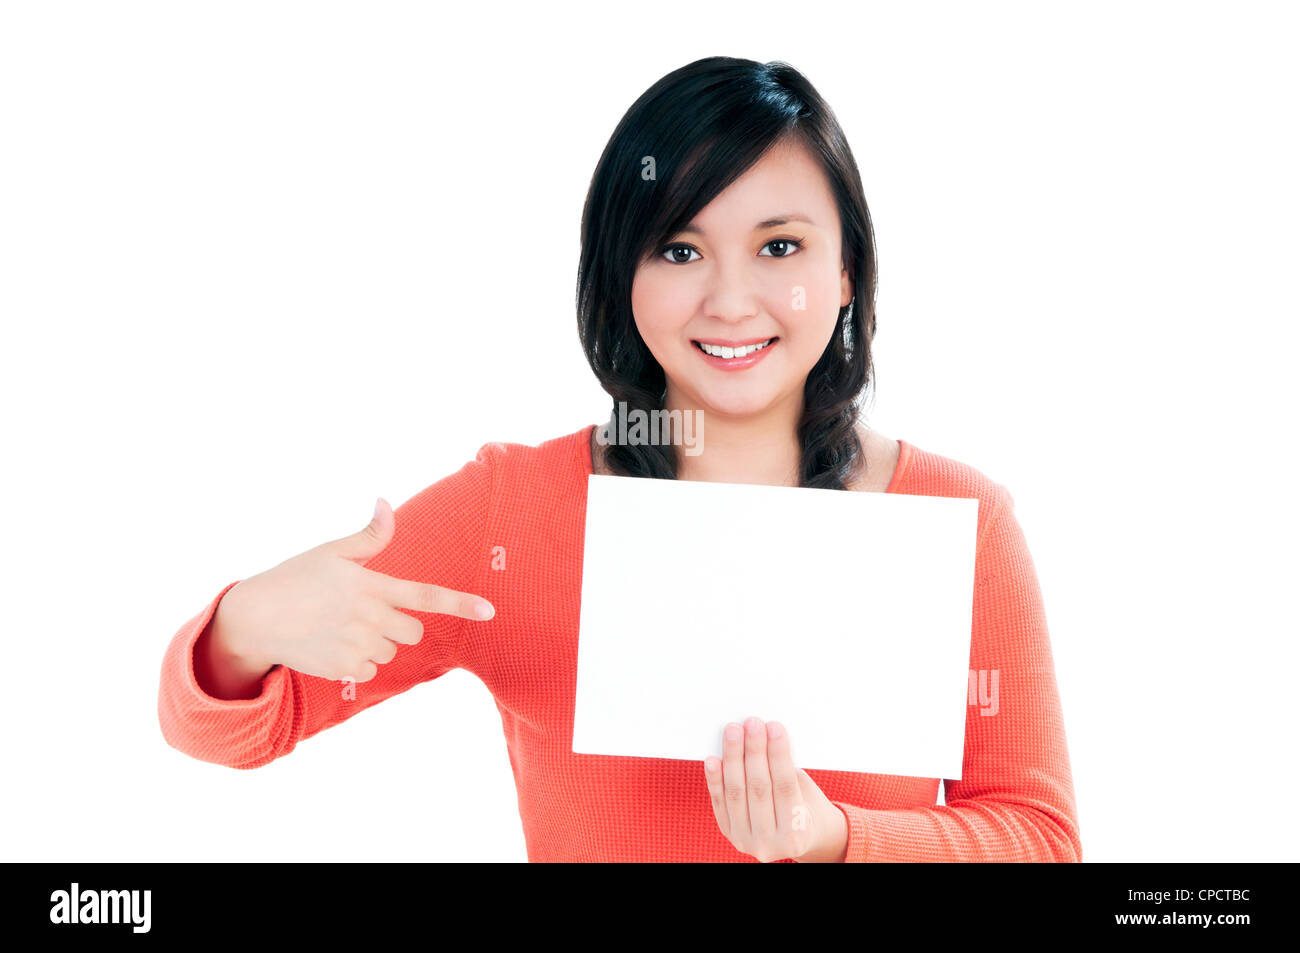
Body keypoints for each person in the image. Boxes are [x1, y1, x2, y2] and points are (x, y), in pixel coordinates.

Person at [157, 55, 1081, 863]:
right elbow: (223, 729)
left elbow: (1041, 840)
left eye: (780, 246)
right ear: (619, 273)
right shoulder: (515, 511)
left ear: (845, 273)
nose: (729, 299)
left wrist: (836, 838)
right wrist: (244, 627)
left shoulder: (958, 518)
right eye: (679, 248)